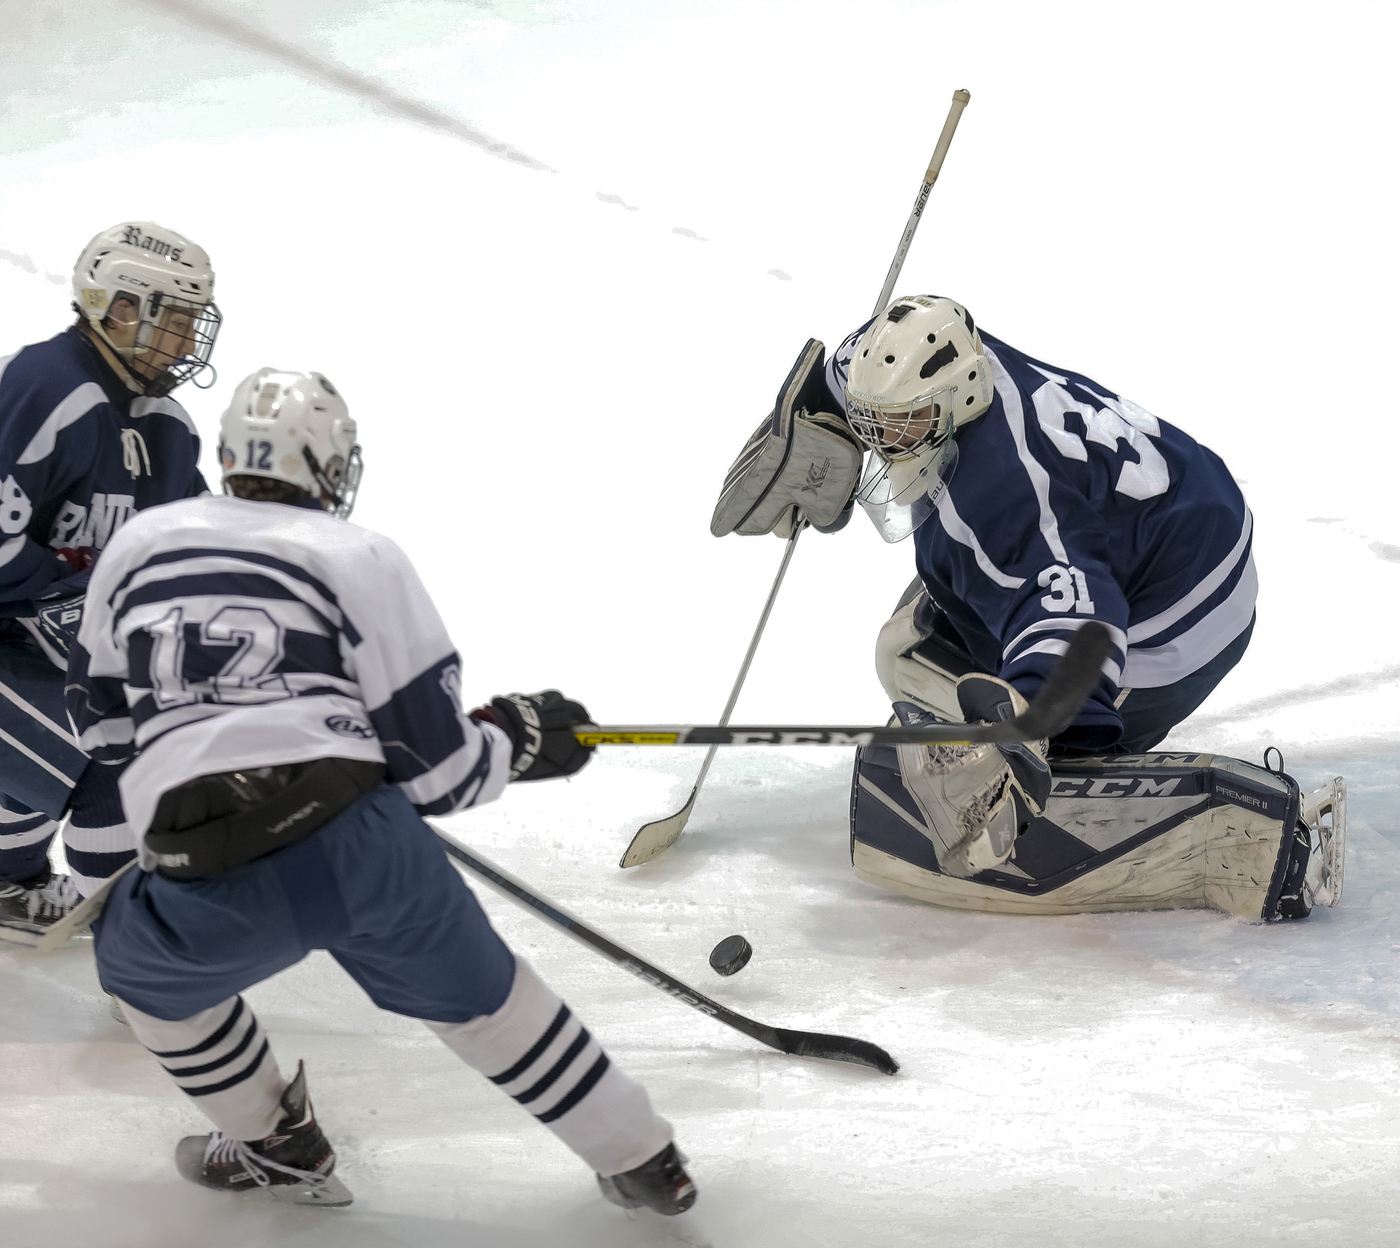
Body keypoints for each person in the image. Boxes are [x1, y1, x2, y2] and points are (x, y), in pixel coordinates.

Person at [66, 368, 697, 1215]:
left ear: (226, 454)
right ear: (331, 465)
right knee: (492, 1007)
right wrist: (520, 738)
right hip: (361, 840)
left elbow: (103, 730)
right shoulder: (355, 553)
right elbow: (439, 774)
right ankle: (645, 1160)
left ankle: (273, 1143)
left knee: (139, 976)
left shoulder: (138, 544)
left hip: (203, 858)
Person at [711, 295, 1343, 921]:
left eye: (896, 425)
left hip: (1176, 621)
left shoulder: (1002, 498)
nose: (878, 440)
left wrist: (1028, 719)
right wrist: (824, 410)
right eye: (870, 421)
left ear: (958, 399)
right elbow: (861, 367)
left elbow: (1081, 616)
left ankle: (1072, 777)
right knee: (908, 642)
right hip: (1179, 520)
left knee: (970, 699)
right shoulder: (928, 368)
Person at [0, 221, 219, 941]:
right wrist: (71, 589)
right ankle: (128, 944)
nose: (189, 342)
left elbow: (195, 545)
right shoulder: (45, 387)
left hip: (33, 641)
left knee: (129, 723)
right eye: (178, 320)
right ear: (122, 309)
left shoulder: (167, 425)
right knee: (94, 741)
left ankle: (22, 881)